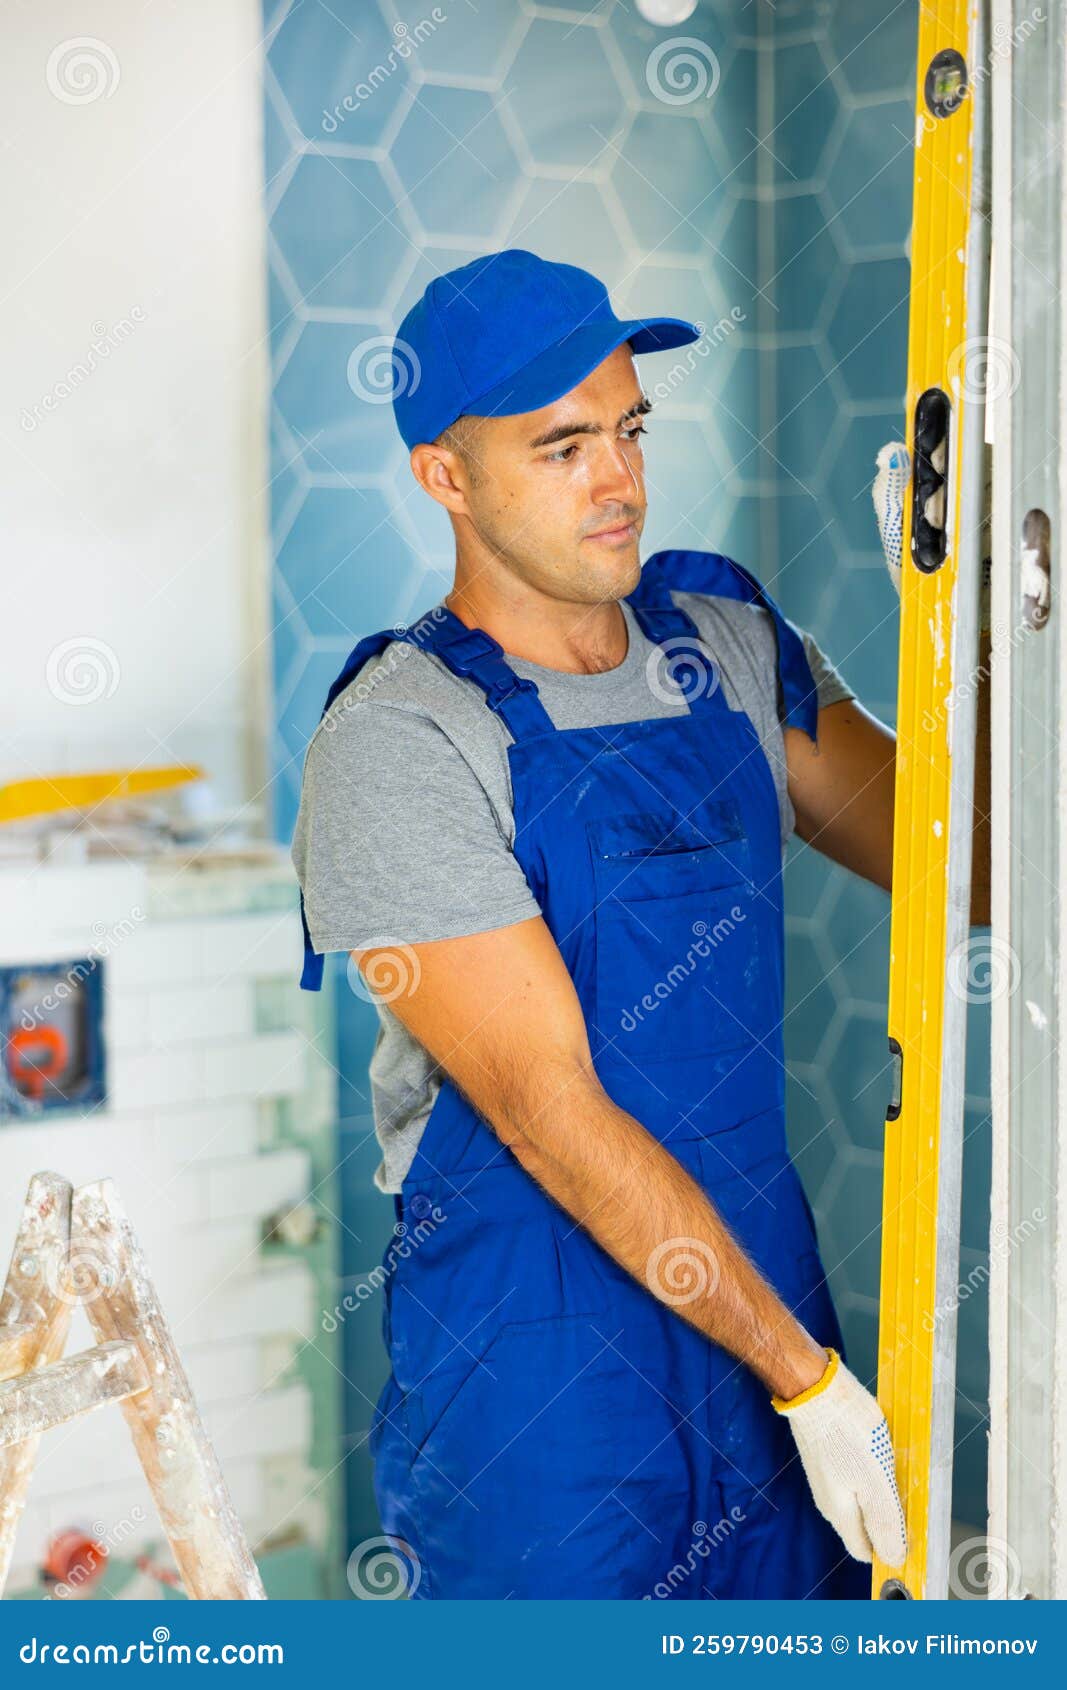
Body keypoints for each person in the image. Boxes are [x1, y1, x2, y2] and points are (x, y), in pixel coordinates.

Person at [291, 250, 986, 1600]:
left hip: (761, 1324)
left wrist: (964, 628)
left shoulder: (722, 642)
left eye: (628, 428)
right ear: (446, 476)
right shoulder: (399, 738)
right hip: (544, 1407)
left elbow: (962, 858)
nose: (618, 481)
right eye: (561, 447)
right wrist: (809, 1379)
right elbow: (549, 1107)